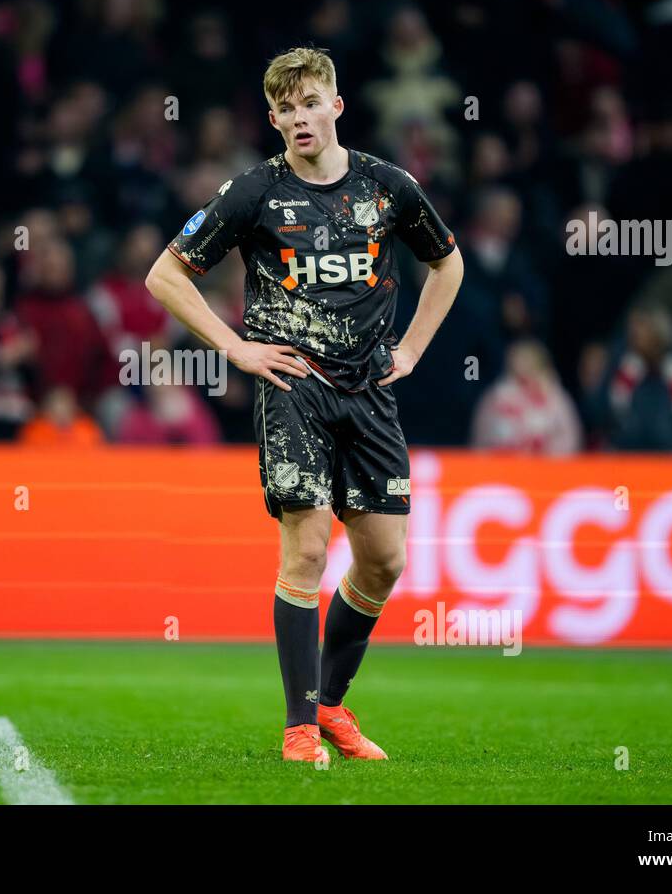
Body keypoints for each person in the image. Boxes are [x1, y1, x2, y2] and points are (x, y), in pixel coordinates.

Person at [146, 47, 463, 763]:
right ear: (273, 119)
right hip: (293, 389)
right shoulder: (255, 192)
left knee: (384, 561)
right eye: (285, 109)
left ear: (336, 107)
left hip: (370, 390)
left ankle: (330, 706)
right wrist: (238, 348)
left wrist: (410, 351)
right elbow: (165, 274)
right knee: (309, 548)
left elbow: (447, 261)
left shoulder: (389, 187)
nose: (298, 118)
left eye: (309, 103)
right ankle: (297, 726)